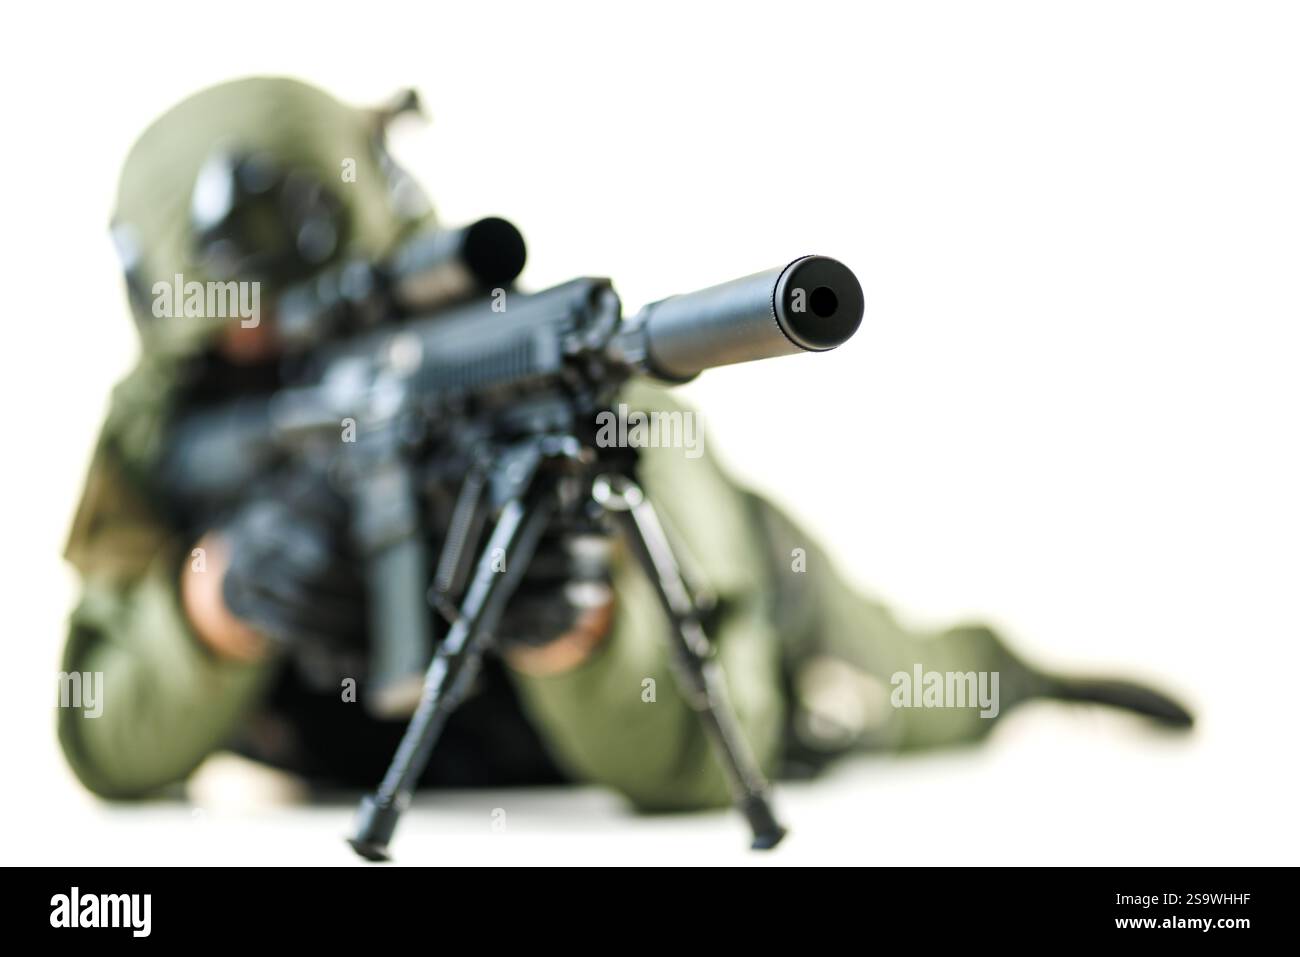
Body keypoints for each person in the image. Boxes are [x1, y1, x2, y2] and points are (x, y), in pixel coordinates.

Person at [59, 77, 1192, 812]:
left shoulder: (586, 405)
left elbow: (713, 750)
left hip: (781, 630)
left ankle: (1027, 676)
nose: (276, 346)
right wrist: (213, 603)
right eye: (252, 336)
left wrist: (584, 630)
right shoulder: (170, 424)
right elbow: (102, 747)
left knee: (922, 682)